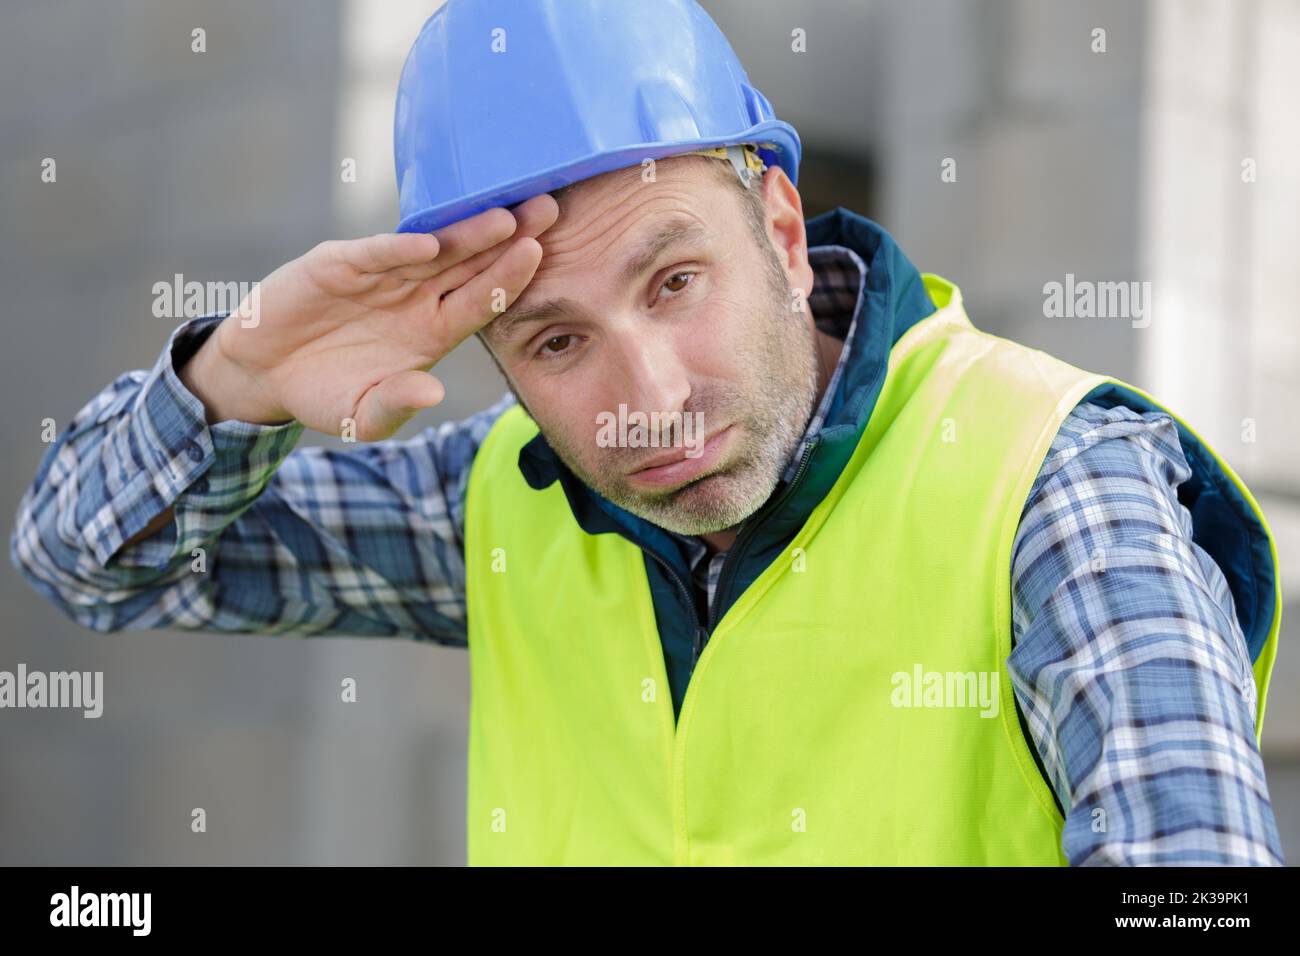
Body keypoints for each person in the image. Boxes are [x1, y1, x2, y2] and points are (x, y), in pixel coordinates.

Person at [11, 0, 1283, 866]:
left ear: (781, 233)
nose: (647, 399)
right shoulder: (503, 497)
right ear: (494, 354)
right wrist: (235, 378)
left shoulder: (1055, 488)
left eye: (675, 282)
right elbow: (89, 560)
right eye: (556, 342)